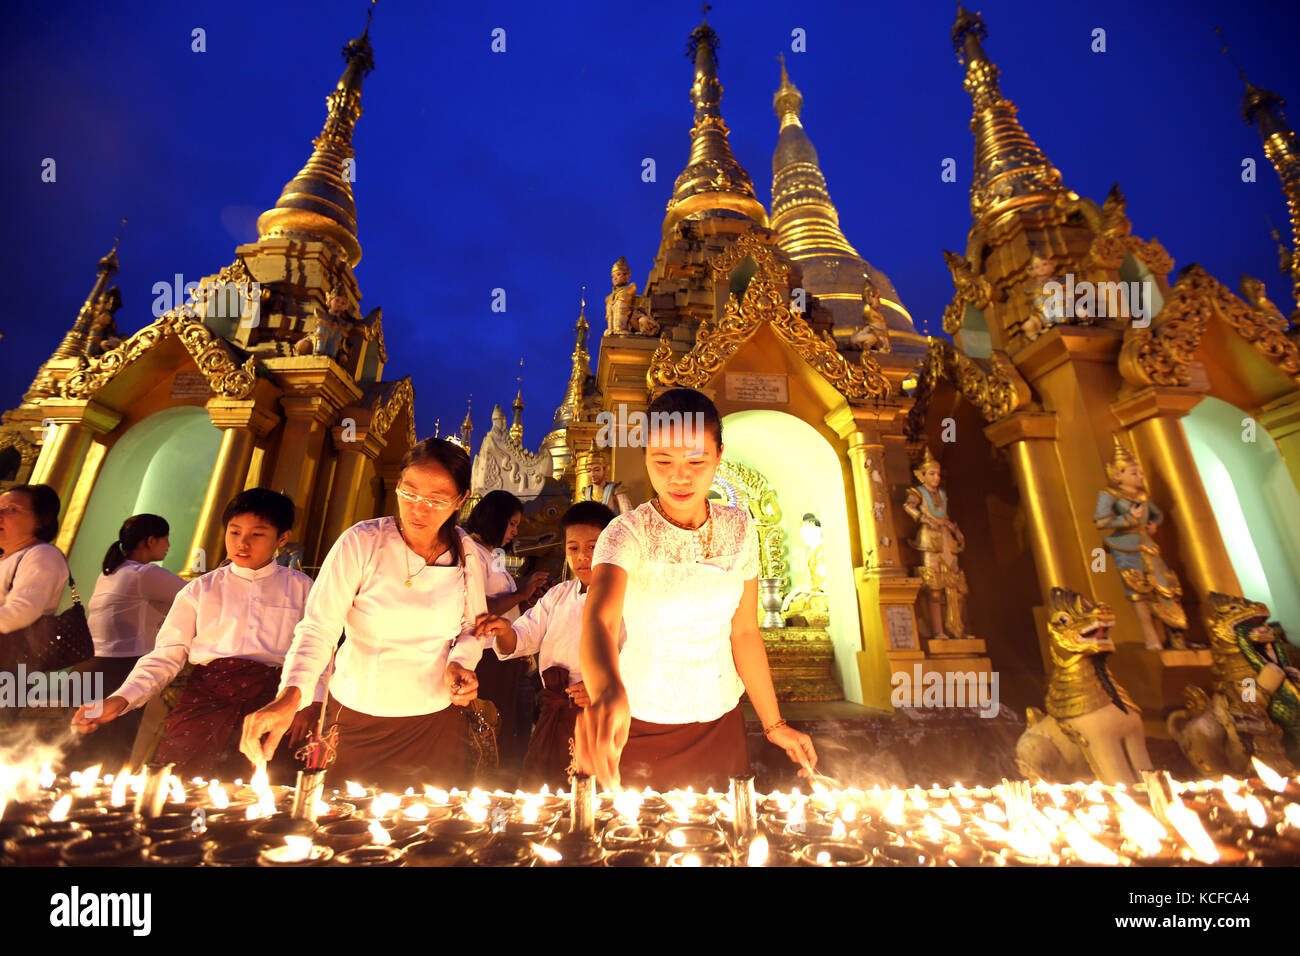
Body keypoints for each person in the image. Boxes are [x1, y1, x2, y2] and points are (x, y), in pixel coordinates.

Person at [574, 388, 818, 792]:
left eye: (696, 461)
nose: (679, 476)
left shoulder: (740, 529)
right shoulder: (626, 533)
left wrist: (775, 725)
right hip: (636, 720)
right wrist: (607, 693)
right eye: (662, 461)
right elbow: (600, 620)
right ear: (645, 456)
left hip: (719, 721)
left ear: (719, 454)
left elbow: (744, 633)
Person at [239, 438, 490, 790]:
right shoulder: (362, 542)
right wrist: (291, 696)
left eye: (436, 500)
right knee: (344, 823)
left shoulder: (466, 554)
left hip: (435, 717)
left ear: (461, 500)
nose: (419, 509)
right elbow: (318, 628)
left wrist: (460, 662)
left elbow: (472, 628)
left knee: (427, 827)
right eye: (409, 493)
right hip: (358, 718)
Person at [71, 490, 320, 779]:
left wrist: (309, 704)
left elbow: (317, 651)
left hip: (273, 703)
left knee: (265, 794)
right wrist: (122, 698)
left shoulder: (303, 588)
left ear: (282, 538)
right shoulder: (201, 589)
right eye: (234, 531)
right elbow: (166, 655)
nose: (242, 542)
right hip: (205, 702)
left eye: (257, 534)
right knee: (182, 788)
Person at [476, 501, 624, 789]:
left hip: (598, 713)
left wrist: (603, 689)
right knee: (545, 793)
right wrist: (504, 630)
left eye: (593, 547)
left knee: (593, 796)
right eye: (573, 548)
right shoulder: (558, 595)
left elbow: (634, 655)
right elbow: (523, 637)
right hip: (553, 711)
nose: (583, 557)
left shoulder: (625, 596)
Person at [77, 514, 186, 768]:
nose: (168, 545)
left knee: (83, 746)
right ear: (150, 541)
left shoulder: (111, 572)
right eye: (165, 539)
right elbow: (196, 597)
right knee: (112, 751)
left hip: (89, 668)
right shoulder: (145, 574)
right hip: (119, 671)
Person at [462, 490, 548, 772]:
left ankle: (505, 783)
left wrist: (526, 597)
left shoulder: (495, 554)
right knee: (489, 726)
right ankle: (486, 783)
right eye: (511, 524)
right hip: (484, 657)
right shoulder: (469, 550)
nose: (514, 531)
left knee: (511, 725)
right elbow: (479, 609)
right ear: (494, 518)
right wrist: (520, 592)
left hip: (505, 655)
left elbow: (507, 599)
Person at [0, 485, 70, 682]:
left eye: (11, 509)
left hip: (9, 667)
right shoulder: (7, 559)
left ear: (40, 520)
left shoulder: (42, 555)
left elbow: (22, 611)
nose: (0, 515)